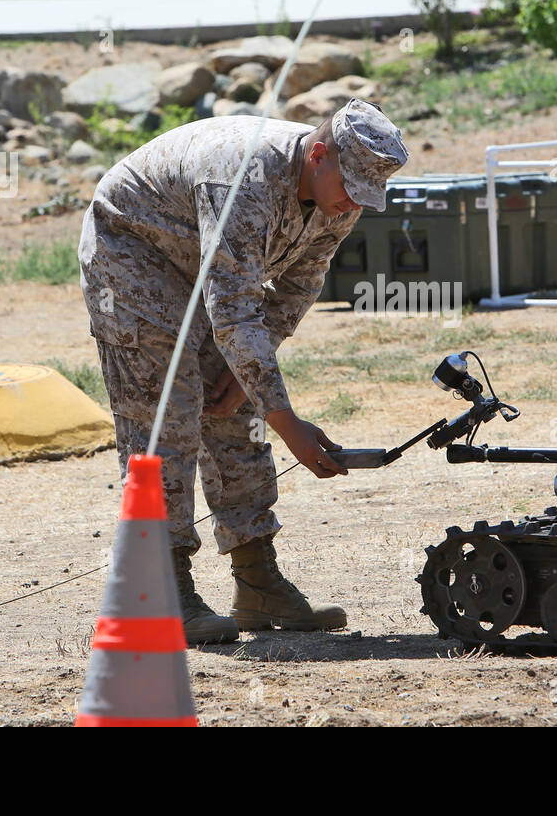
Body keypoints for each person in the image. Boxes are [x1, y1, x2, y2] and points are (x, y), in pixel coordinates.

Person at [78, 99, 409, 644]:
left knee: (235, 405)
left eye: (364, 197)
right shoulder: (244, 177)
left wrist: (253, 380)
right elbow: (232, 311)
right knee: (168, 413)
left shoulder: (341, 196)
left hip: (205, 267)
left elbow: (299, 284)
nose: (353, 205)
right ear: (319, 155)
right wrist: (289, 424)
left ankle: (257, 580)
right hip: (133, 253)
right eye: (349, 188)